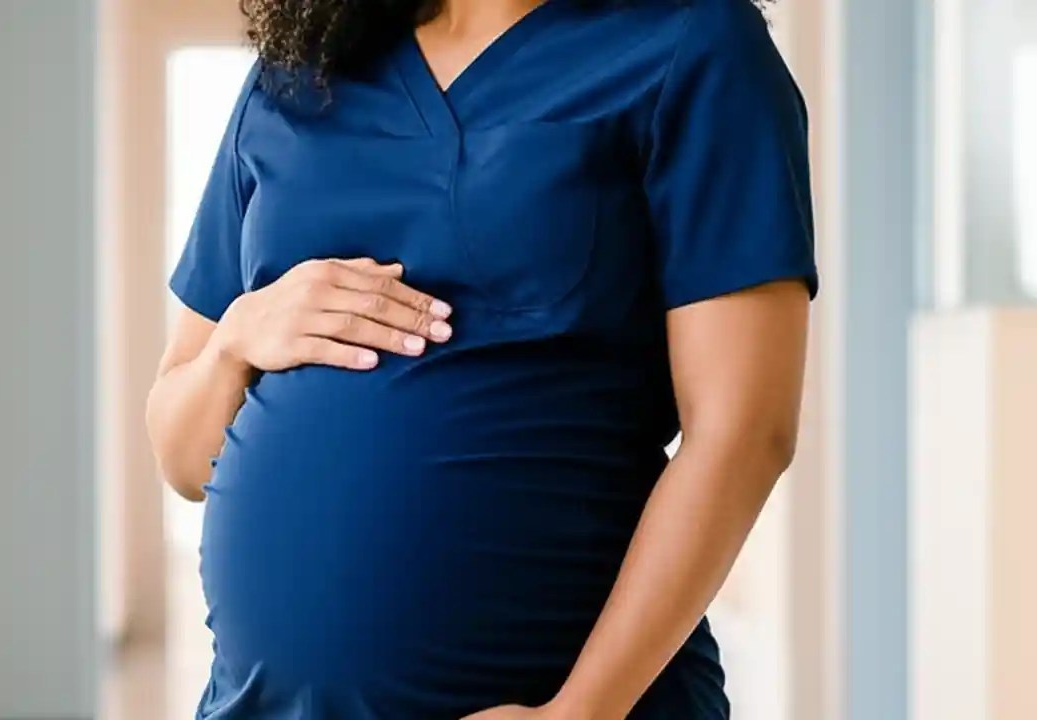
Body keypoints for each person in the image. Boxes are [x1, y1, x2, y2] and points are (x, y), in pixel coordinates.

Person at [146, 0, 817, 717]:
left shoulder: (695, 43)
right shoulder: (293, 77)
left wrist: (579, 713)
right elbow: (182, 460)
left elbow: (745, 432)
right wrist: (235, 341)